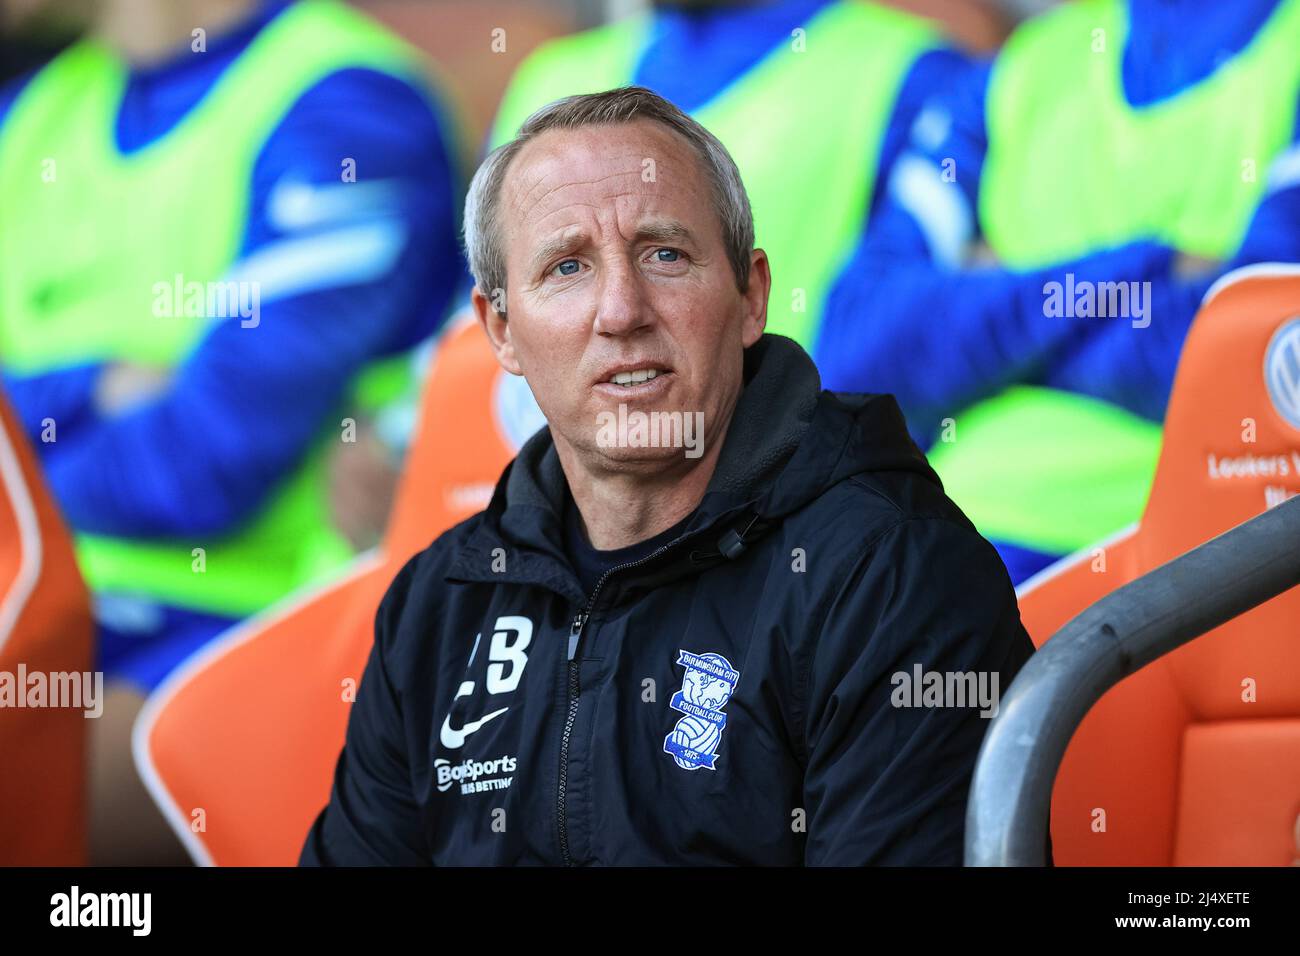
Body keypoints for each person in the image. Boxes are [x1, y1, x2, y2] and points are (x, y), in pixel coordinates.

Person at [301, 87, 1035, 866]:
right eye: (568, 266)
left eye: (664, 254)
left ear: (751, 296)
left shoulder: (893, 574)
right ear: (502, 332)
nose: (621, 310)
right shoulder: (440, 602)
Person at [0, 0, 465, 862]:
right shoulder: (33, 112)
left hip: (235, 631)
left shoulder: (349, 105)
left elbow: (202, 463)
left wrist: (19, 466)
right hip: (42, 604)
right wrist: (94, 384)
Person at [815, 0, 1300, 583]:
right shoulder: (1024, 65)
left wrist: (985, 299)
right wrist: (1162, 267)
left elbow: (1258, 362)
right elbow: (853, 349)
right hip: (925, 550)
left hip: (1160, 594)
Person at [487, 0, 973, 352]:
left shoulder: (911, 73)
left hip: (806, 475)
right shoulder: (550, 76)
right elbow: (484, 327)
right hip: (563, 479)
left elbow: (912, 338)